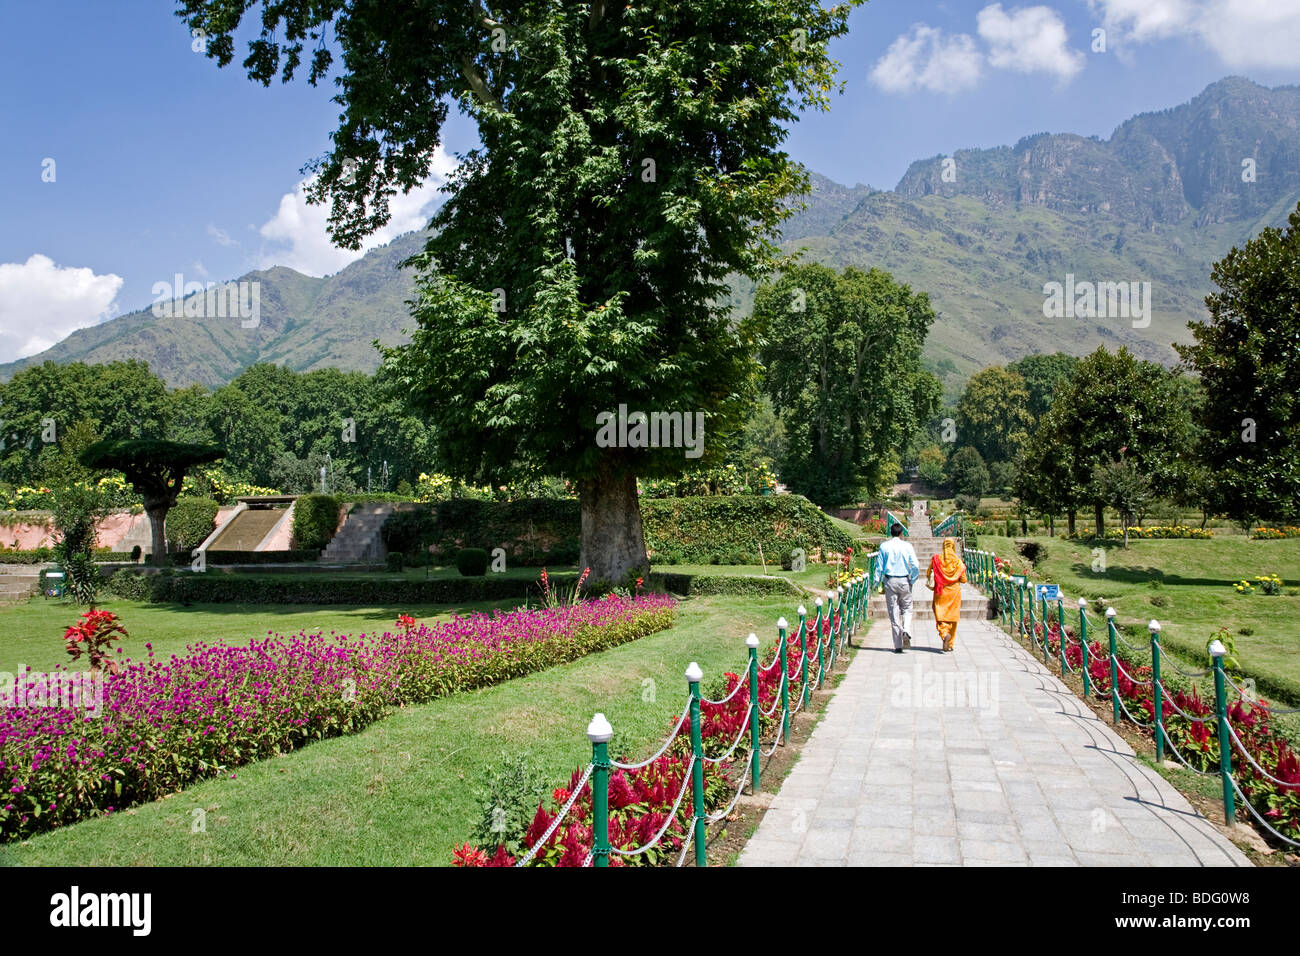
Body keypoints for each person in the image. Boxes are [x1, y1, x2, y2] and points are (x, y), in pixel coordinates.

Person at [878, 521, 919, 653]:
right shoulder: (907, 546)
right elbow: (915, 565)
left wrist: (876, 582)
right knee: (907, 608)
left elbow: (878, 567)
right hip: (904, 580)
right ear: (901, 533)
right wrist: (913, 579)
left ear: (891, 533)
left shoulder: (884, 546)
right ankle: (906, 629)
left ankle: (898, 645)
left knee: (893, 611)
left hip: (890, 581)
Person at [926, 537, 967, 653]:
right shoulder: (958, 562)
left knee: (940, 614)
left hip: (941, 591)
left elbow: (928, 573)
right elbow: (963, 580)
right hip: (954, 593)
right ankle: (950, 644)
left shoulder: (936, 559)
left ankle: (944, 634)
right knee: (953, 618)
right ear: (953, 546)